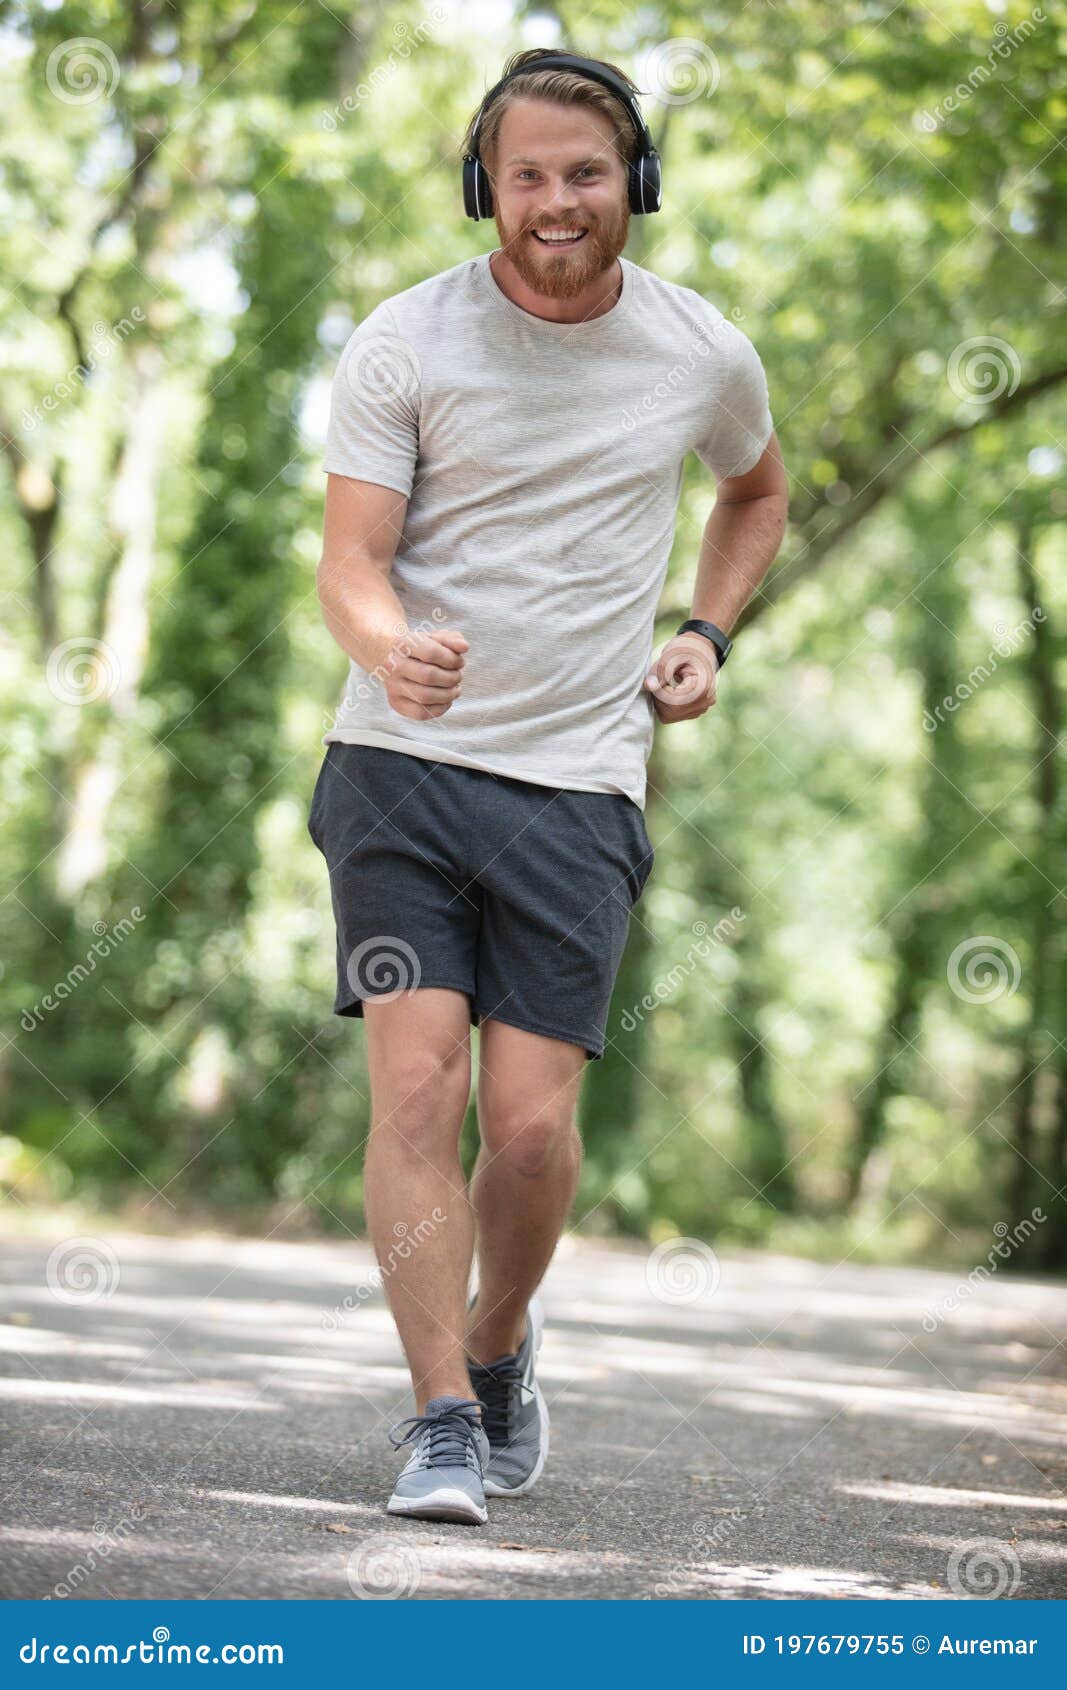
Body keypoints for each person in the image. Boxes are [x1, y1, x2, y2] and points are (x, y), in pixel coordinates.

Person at [309, 48, 788, 1525]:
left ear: (633, 181)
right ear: (485, 187)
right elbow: (350, 565)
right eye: (526, 175)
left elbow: (756, 492)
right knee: (419, 1086)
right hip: (398, 769)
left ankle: (501, 1341)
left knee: (526, 1127)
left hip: (581, 784)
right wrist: (393, 653)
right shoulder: (406, 339)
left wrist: (705, 632)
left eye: (586, 172)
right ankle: (439, 1414)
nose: (557, 202)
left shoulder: (701, 351)